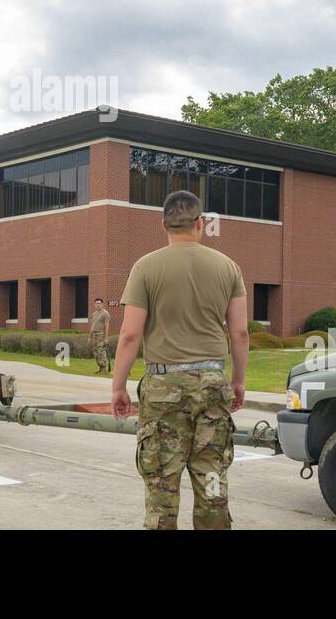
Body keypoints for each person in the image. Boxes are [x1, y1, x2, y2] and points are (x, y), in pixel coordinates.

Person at [111, 190, 248, 530]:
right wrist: (238, 381)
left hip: (163, 390)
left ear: (163, 225)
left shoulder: (145, 267)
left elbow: (129, 335)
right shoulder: (228, 267)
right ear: (200, 223)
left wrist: (118, 386)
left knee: (161, 482)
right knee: (212, 477)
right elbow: (240, 333)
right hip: (213, 386)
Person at [89, 298, 111, 373]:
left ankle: (104, 368)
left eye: (99, 303)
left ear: (102, 304)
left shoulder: (105, 313)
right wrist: (90, 337)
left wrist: (106, 337)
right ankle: (100, 368)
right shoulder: (94, 314)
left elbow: (107, 325)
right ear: (94, 305)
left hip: (101, 334)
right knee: (96, 352)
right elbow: (92, 326)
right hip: (94, 335)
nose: (98, 305)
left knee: (101, 351)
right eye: (96, 303)